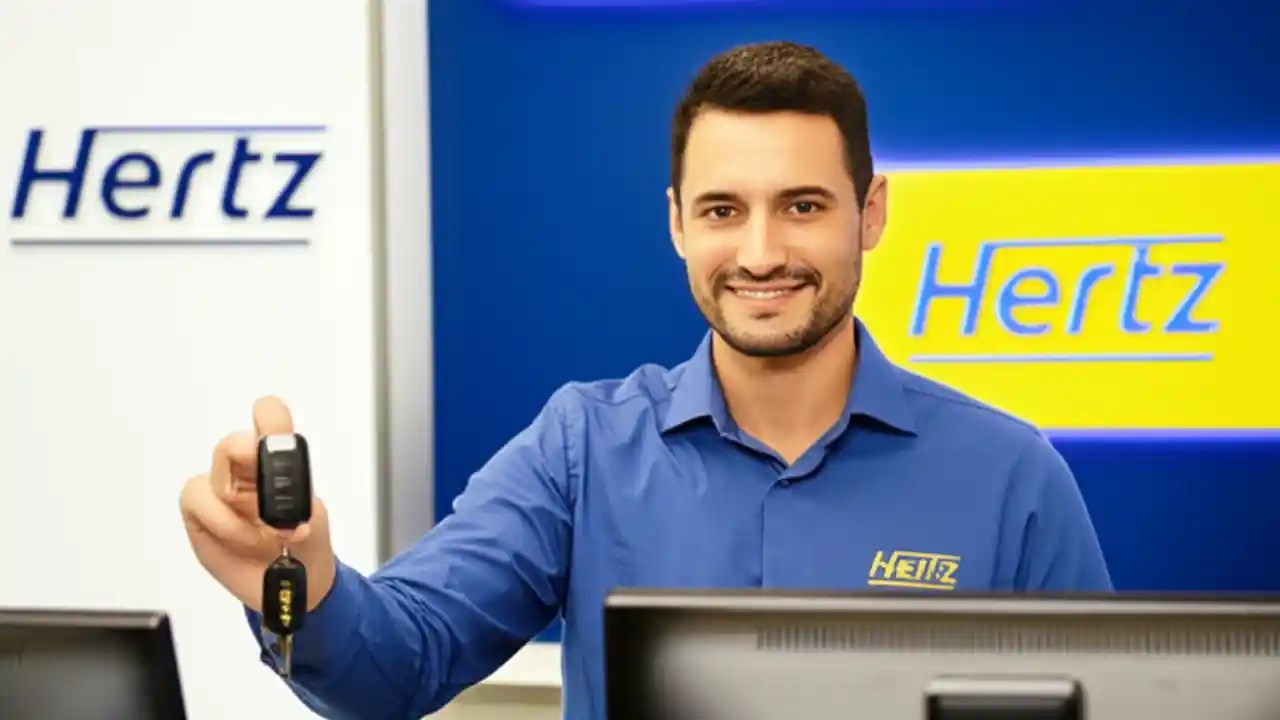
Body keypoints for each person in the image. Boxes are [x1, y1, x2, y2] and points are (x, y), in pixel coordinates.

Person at [179, 41, 1112, 720]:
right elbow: (396, 670)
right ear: (676, 222)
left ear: (869, 213)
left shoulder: (1010, 477)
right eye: (721, 209)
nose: (760, 253)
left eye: (802, 206)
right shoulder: (582, 449)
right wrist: (293, 586)